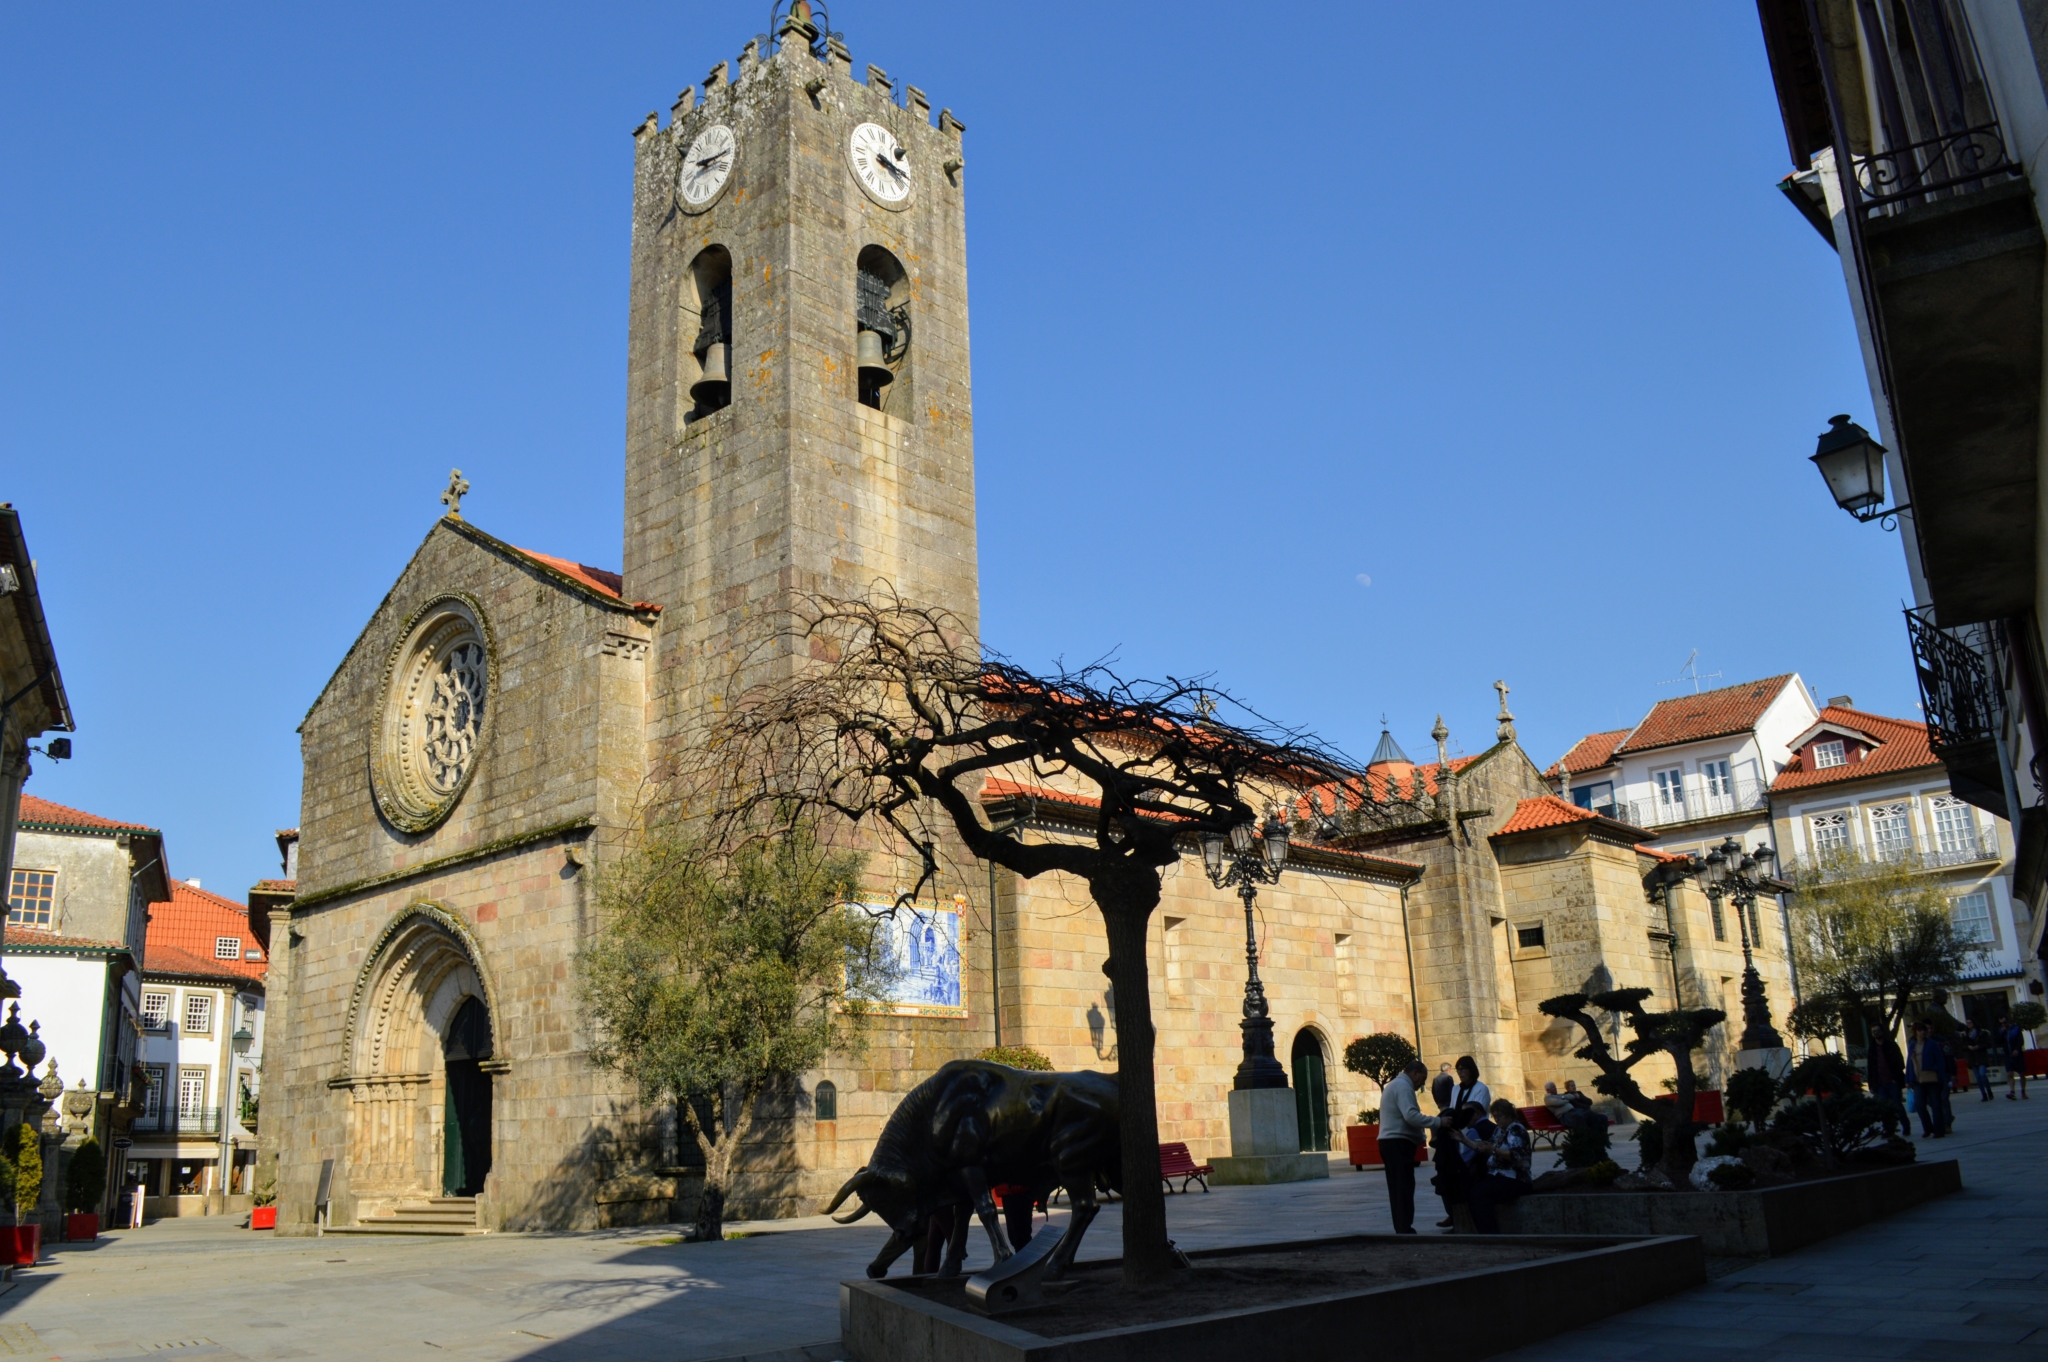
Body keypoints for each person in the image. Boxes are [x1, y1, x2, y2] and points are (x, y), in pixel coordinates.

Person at [1375, 1058, 1440, 1235]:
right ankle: (1404, 1227)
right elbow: (1411, 1116)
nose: (1422, 1084)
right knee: (1403, 1187)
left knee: (1396, 1187)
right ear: (1415, 1073)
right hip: (1398, 1143)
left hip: (1389, 1142)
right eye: (1423, 1078)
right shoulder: (1403, 1087)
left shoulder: (1394, 1085)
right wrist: (1437, 1122)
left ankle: (1401, 1226)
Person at [1461, 1098, 1535, 1233]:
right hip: (1498, 1175)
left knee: (1481, 1195)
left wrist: (1493, 1150)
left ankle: (1491, 1233)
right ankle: (1483, 1233)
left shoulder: (1516, 1129)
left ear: (1508, 1114)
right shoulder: (1499, 1131)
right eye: (1495, 1117)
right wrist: (1463, 1139)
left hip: (1515, 1178)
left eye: (1499, 1116)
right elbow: (1484, 1148)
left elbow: (1515, 1155)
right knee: (1472, 1192)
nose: (1497, 1120)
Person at [1907, 1021, 1952, 1138]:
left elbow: (1940, 1061)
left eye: (1924, 1030)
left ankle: (1939, 1130)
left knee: (1936, 1104)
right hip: (1917, 1080)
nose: (1922, 1032)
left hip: (1932, 1079)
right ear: (1915, 1032)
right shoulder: (1913, 1045)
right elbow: (1909, 1063)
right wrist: (1908, 1079)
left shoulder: (1932, 1044)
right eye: (1920, 1030)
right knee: (1920, 1105)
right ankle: (1928, 1128)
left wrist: (1938, 1073)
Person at [1868, 1028, 1908, 1131]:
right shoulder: (1872, 1048)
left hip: (1892, 1082)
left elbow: (1900, 1062)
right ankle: (1888, 1129)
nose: (1876, 1033)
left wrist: (1896, 1078)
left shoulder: (1891, 1045)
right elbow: (1870, 1067)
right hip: (1880, 1083)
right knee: (1884, 1107)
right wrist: (1871, 1084)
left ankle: (1905, 1126)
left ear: (1882, 1032)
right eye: (1873, 1032)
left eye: (1877, 1030)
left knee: (1897, 1105)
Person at [2005, 1016, 2032, 1100]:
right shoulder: (2001, 1031)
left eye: (2004, 1022)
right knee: (2009, 1073)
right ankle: (2012, 1091)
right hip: (2008, 1055)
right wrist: (2002, 1033)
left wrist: (2017, 1049)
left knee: (2022, 1073)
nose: (2003, 1024)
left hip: (2018, 1054)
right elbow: (1997, 1041)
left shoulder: (2016, 1029)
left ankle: (2023, 1091)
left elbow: (2020, 1040)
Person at [1966, 1023, 1994, 1101]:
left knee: (1982, 1075)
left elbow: (1988, 1044)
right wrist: (1968, 1047)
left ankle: (1989, 1091)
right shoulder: (1966, 1034)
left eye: (1970, 1022)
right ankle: (1983, 1094)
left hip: (1981, 1057)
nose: (1968, 1024)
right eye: (1967, 1023)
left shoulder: (1982, 1033)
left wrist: (1979, 1046)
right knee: (1978, 1078)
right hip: (1973, 1058)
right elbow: (1962, 1046)